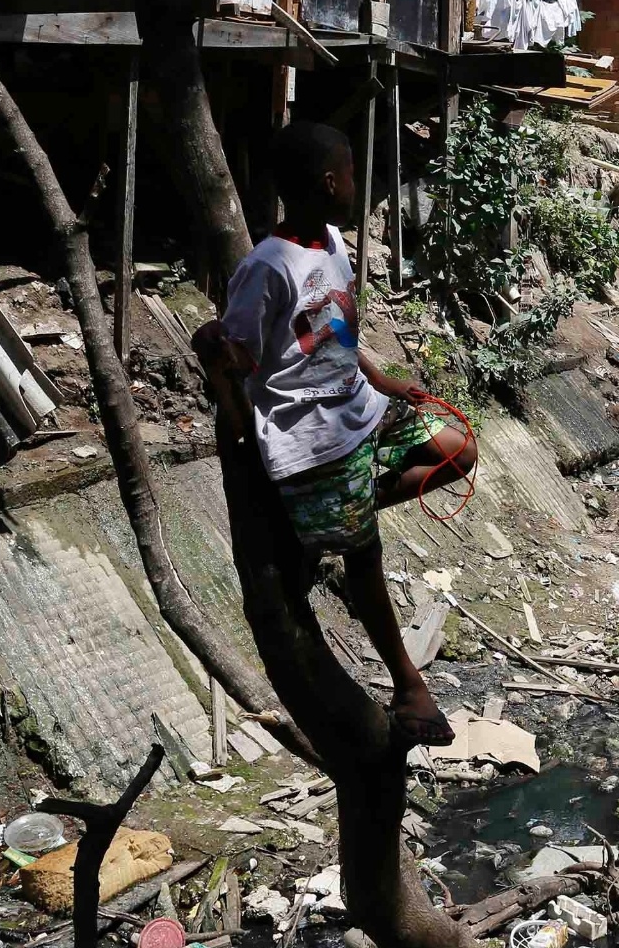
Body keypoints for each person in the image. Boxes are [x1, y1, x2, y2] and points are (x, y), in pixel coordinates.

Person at [196, 121, 475, 748]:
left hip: (359, 405)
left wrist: (384, 379)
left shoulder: (331, 245)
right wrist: (215, 357)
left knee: (457, 448)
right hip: (312, 432)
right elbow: (238, 357)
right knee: (365, 558)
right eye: (351, 172)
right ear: (329, 181)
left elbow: (336, 334)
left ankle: (331, 519)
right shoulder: (267, 266)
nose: (356, 183)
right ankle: (408, 683)